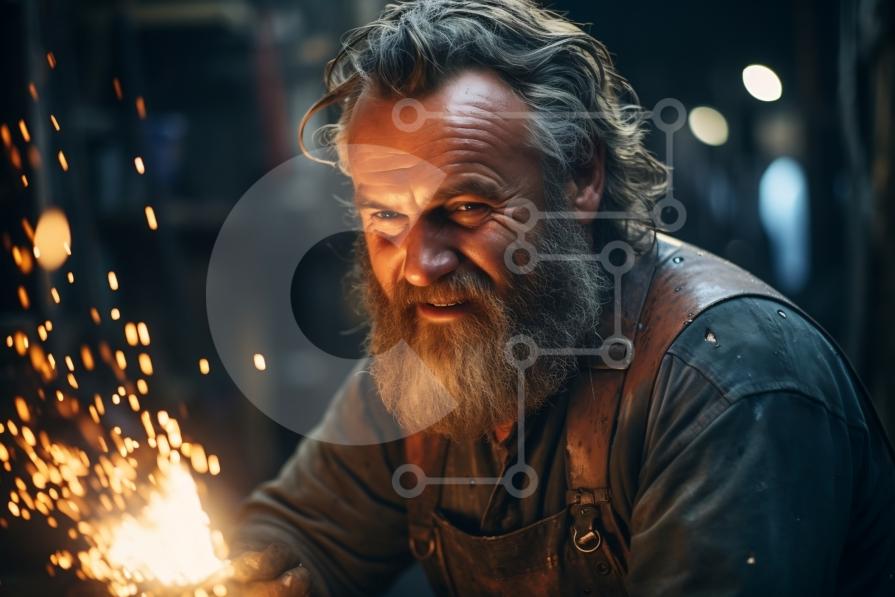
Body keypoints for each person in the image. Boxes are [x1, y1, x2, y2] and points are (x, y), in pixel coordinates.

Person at [227, 1, 895, 595]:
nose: (421, 266)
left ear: (580, 177)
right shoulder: (429, 358)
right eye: (386, 219)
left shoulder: (724, 386)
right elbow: (297, 531)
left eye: (464, 207)